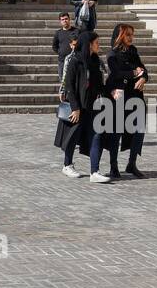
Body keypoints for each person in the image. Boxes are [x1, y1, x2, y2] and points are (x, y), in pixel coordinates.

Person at [107, 23, 147, 178]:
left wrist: (143, 77)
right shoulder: (112, 54)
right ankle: (113, 166)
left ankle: (132, 164)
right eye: (128, 34)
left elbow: (143, 69)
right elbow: (116, 74)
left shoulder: (133, 51)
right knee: (116, 132)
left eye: (132, 34)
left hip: (136, 95)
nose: (131, 37)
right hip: (119, 95)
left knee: (139, 131)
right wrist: (133, 72)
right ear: (120, 35)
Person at [83, 32, 121, 182]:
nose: (99, 45)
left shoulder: (95, 60)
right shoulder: (79, 60)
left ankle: (95, 171)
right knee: (79, 138)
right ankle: (69, 164)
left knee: (97, 135)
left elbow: (99, 85)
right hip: (85, 105)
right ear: (89, 44)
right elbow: (72, 85)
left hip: (97, 104)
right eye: (97, 42)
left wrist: (110, 91)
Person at [52, 27, 84, 176]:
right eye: (73, 44)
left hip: (85, 99)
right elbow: (66, 77)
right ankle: (67, 163)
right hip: (73, 99)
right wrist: (62, 90)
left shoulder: (88, 57)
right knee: (71, 131)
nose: (74, 46)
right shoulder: (70, 59)